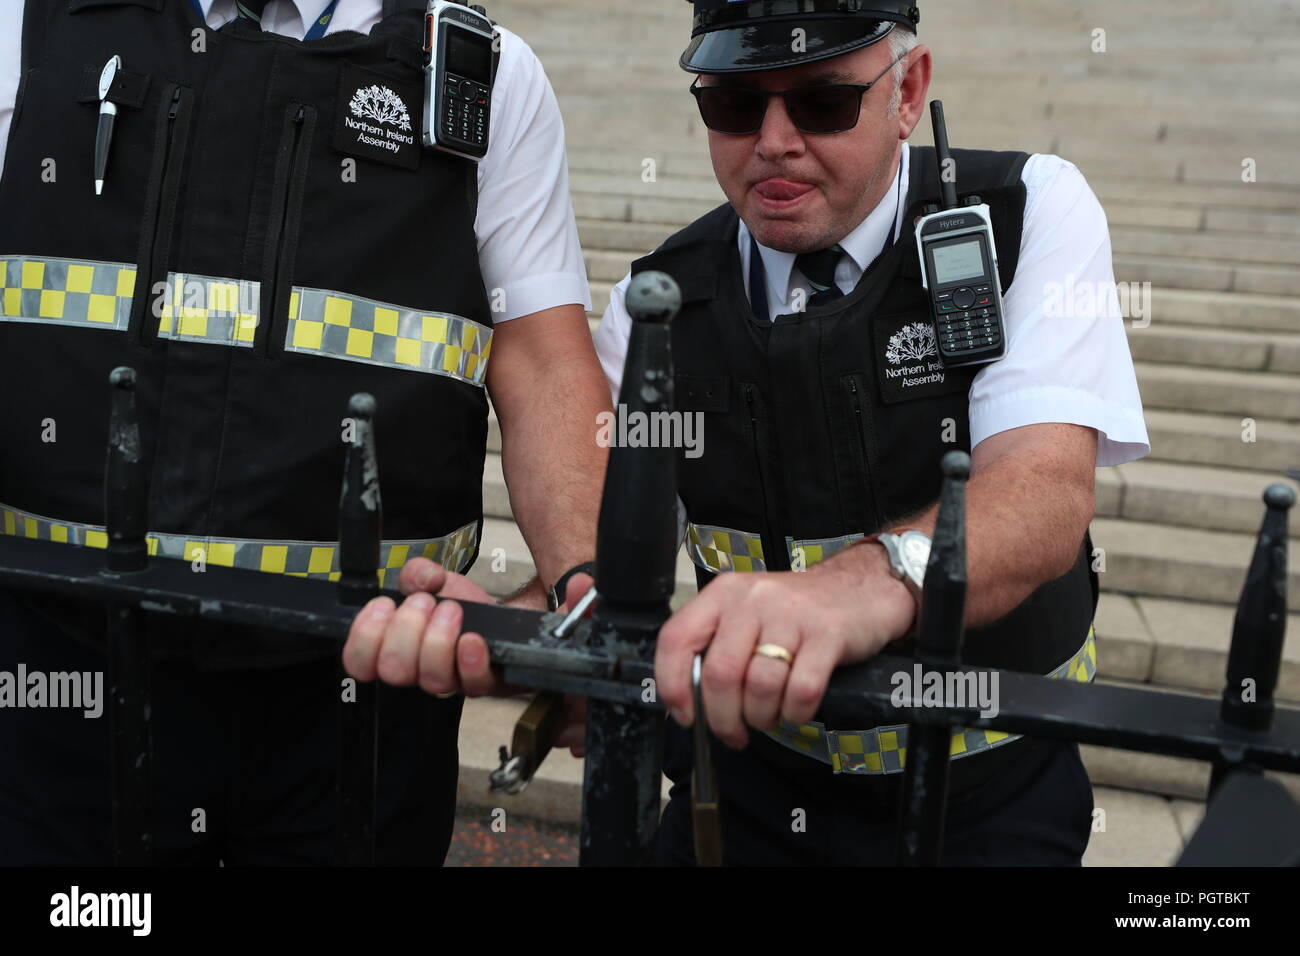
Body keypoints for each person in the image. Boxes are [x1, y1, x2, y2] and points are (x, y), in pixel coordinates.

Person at [0, 0, 610, 865]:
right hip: (60, 684)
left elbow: (543, 361)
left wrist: (585, 593)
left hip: (364, 703)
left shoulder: (481, 73)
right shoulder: (30, 25)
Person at [585, 0, 1152, 865]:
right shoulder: (655, 304)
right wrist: (549, 612)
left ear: (908, 91)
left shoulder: (1026, 211)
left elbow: (1043, 487)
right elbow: (606, 561)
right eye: (733, 105)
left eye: (821, 101)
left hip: (987, 798)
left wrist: (865, 584)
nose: (772, 140)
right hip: (746, 794)